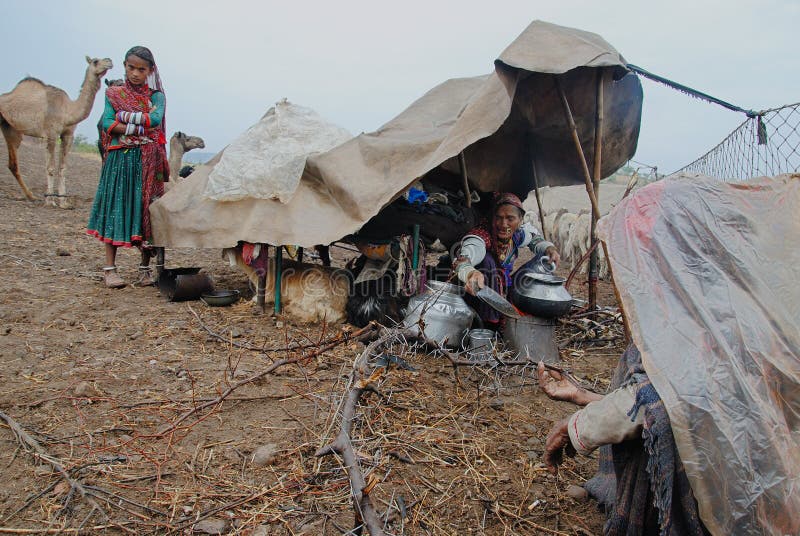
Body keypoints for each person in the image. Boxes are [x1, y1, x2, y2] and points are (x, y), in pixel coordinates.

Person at [538, 347, 708, 535]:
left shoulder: (702, 338)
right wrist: (582, 396)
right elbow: (645, 402)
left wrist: (574, 426)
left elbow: (656, 403)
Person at [87, 46, 169, 288]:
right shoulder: (113, 93)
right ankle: (110, 269)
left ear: (150, 71)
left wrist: (124, 118)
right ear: (124, 66)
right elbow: (108, 124)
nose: (135, 73)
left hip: (148, 161)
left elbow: (155, 121)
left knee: (148, 210)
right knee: (117, 207)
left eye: (141, 69)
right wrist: (139, 125)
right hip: (120, 160)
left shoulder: (157, 97)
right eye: (131, 68)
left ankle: (144, 270)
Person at [454, 192, 560, 328]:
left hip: (504, 289)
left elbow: (535, 240)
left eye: (510, 218)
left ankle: (521, 311)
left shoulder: (518, 234)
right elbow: (463, 259)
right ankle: (490, 325)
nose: (503, 224)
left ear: (520, 219)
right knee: (488, 261)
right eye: (498, 218)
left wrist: (549, 249)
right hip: (477, 293)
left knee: (541, 261)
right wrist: (470, 273)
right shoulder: (482, 235)